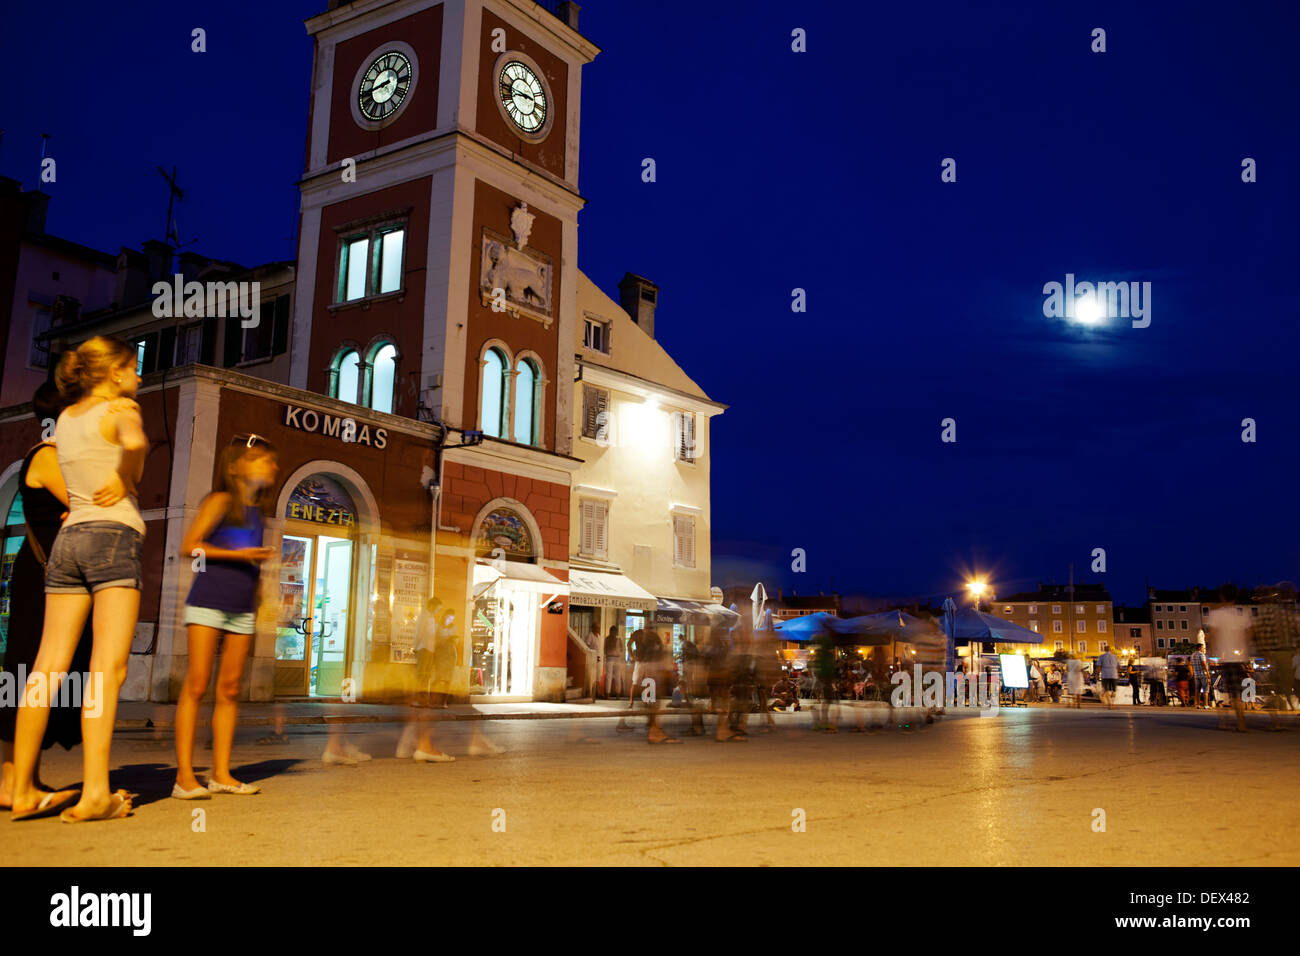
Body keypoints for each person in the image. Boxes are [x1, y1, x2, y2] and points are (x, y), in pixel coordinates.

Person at [11, 336, 147, 822]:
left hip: (69, 542)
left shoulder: (66, 419)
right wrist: (126, 476)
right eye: (134, 367)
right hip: (114, 537)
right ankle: (95, 793)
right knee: (106, 671)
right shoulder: (121, 407)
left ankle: (22, 788)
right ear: (113, 374)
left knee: (46, 667)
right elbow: (136, 443)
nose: (139, 376)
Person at [0, 385, 95, 811]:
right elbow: (89, 503)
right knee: (25, 670)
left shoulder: (59, 454)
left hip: (50, 572)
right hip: (42, 576)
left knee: (33, 670)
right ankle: (11, 780)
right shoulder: (49, 454)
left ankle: (26, 778)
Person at [172, 433, 279, 799]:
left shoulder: (257, 513)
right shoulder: (219, 501)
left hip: (242, 606)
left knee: (230, 690)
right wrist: (242, 555)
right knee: (197, 685)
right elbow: (190, 546)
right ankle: (184, 777)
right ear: (235, 468)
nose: (271, 466)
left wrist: (260, 587)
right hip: (208, 600)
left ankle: (221, 773)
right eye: (262, 460)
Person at [412, 597, 442, 706]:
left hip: (430, 649)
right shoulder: (424, 616)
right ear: (432, 606)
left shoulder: (432, 617)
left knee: (426, 675)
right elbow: (419, 632)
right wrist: (415, 647)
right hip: (423, 648)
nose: (438, 611)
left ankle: (423, 700)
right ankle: (417, 700)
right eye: (438, 608)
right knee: (421, 675)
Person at [602, 626, 623, 699]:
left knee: (608, 677)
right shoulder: (619, 639)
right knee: (618, 677)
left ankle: (607, 694)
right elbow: (622, 649)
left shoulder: (607, 639)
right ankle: (618, 694)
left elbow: (604, 649)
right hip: (617, 658)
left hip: (609, 658)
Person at [1190, 643, 1210, 709]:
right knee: (1205, 690)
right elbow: (1204, 664)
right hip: (1203, 674)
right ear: (1199, 648)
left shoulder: (1192, 655)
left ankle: (1198, 704)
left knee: (1197, 690)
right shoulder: (1201, 654)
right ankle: (1206, 705)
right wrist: (1207, 673)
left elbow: (1192, 664)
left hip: (1196, 674)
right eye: (1202, 648)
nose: (1203, 649)